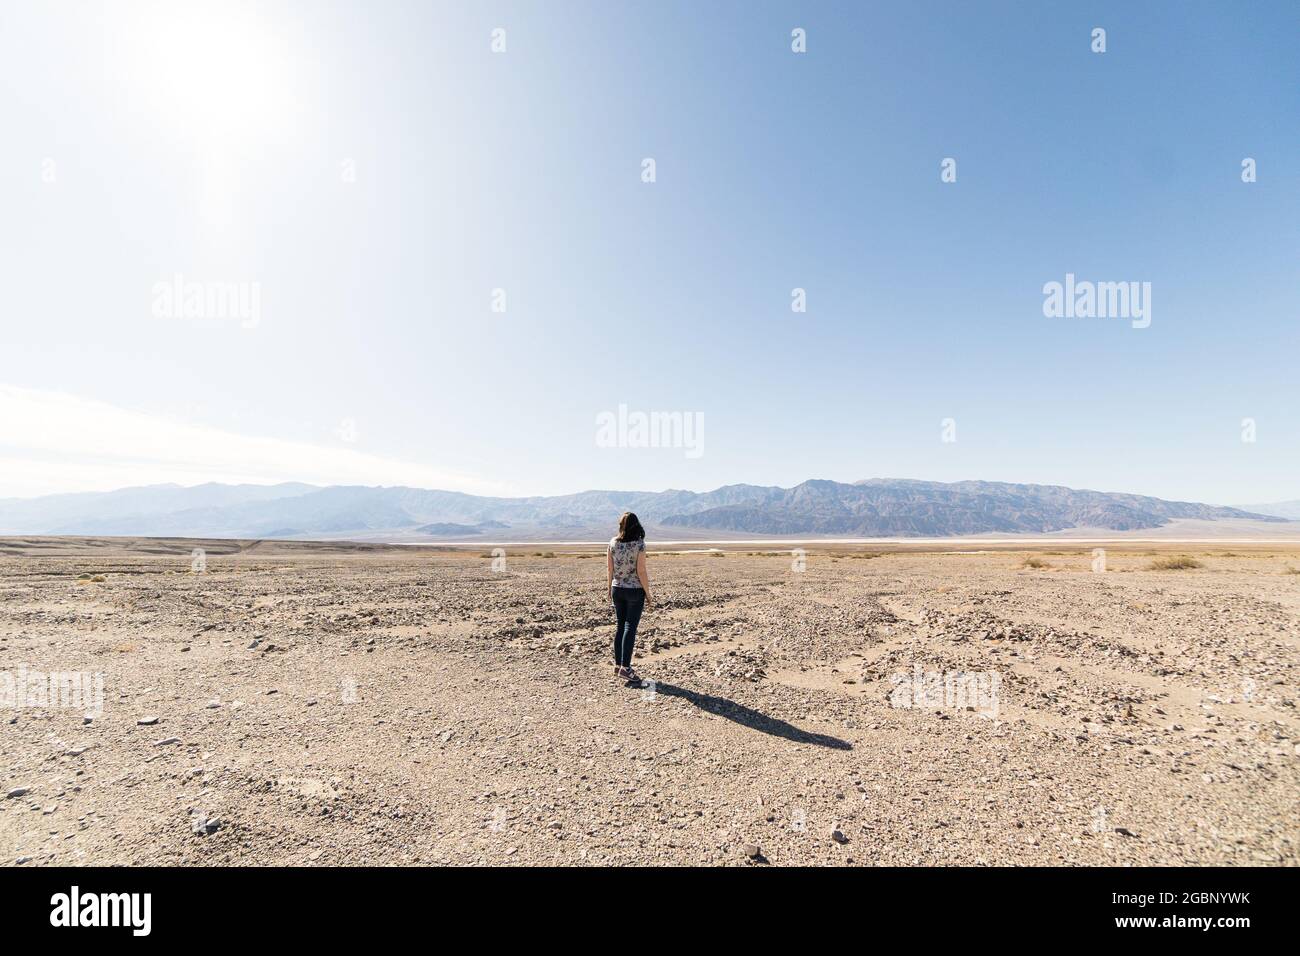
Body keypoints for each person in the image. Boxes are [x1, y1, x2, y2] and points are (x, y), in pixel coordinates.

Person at [607, 511, 652, 684]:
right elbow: (641, 571)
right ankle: (626, 668)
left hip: (617, 589)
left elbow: (610, 569)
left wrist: (608, 589)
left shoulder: (612, 543)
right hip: (634, 591)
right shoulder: (639, 544)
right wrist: (648, 593)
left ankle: (618, 665)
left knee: (620, 626)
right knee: (629, 628)